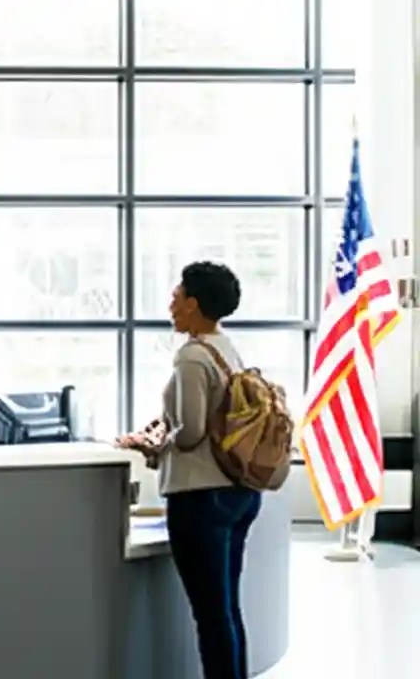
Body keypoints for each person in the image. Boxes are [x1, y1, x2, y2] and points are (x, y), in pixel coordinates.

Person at [119, 262, 260, 679]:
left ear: (194, 304)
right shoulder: (227, 349)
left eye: (177, 296)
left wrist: (153, 444)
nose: (171, 303)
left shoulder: (192, 356)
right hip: (238, 492)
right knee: (227, 610)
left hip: (200, 496)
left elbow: (191, 432)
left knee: (211, 617)